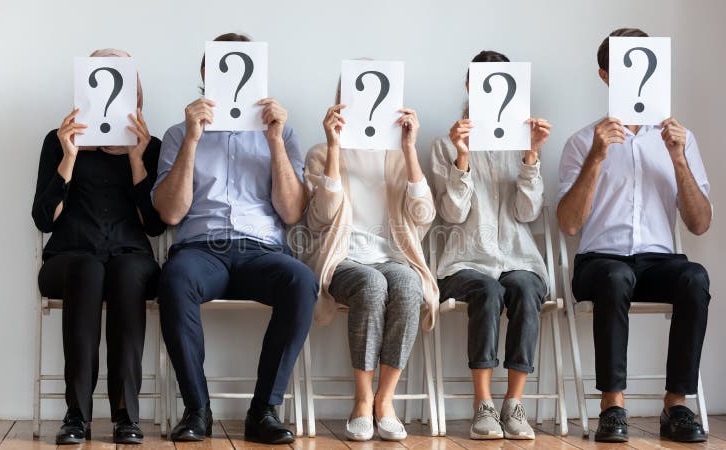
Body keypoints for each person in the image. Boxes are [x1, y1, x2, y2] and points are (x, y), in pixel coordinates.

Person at [152, 32, 317, 444]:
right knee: (174, 279)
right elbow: (170, 213)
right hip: (201, 251)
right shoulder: (177, 134)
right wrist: (193, 139)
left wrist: (274, 141)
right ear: (205, 74)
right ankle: (197, 410)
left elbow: (292, 212)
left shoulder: (283, 134)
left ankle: (263, 411)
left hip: (262, 251)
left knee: (301, 280)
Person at [557, 28, 711, 443]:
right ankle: (612, 406)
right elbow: (569, 224)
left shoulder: (679, 140)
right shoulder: (581, 142)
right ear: (605, 76)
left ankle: (676, 405)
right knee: (615, 276)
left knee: (695, 277)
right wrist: (596, 156)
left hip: (658, 261)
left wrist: (679, 159)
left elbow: (699, 223)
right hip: (599, 262)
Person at [32, 48, 165, 445]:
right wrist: (70, 156)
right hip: (69, 259)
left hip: (130, 258)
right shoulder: (57, 142)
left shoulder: (151, 147)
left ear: (137, 97)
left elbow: (155, 225)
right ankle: (77, 414)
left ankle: (126, 415)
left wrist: (137, 160)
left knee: (126, 272)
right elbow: (43, 219)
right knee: (88, 269)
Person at [300, 78, 438, 442]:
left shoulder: (399, 156)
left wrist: (409, 149)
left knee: (408, 284)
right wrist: (334, 147)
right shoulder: (320, 153)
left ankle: (384, 400)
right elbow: (320, 217)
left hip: (391, 256)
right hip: (342, 259)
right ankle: (362, 401)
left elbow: (424, 215)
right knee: (372, 284)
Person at [430, 50, 552, 440]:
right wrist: (462, 158)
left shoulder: (520, 145)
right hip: (465, 263)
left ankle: (514, 403)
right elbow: (451, 213)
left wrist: (530, 156)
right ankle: (482, 403)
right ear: (471, 86)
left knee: (527, 287)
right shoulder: (445, 145)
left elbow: (527, 212)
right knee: (487, 288)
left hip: (518, 259)